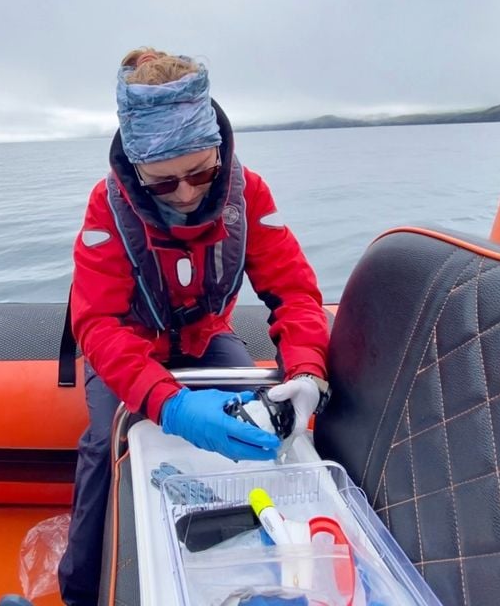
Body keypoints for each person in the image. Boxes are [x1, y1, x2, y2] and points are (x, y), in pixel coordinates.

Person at [57, 48, 330, 605]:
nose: (185, 193)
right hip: (129, 349)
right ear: (137, 170)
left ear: (219, 150)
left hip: (207, 338)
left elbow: (295, 291)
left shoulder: (248, 194)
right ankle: (82, 590)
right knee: (105, 445)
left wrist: (306, 371)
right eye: (163, 183)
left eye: (200, 173)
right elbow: (98, 323)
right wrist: (169, 402)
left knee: (269, 433)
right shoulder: (105, 208)